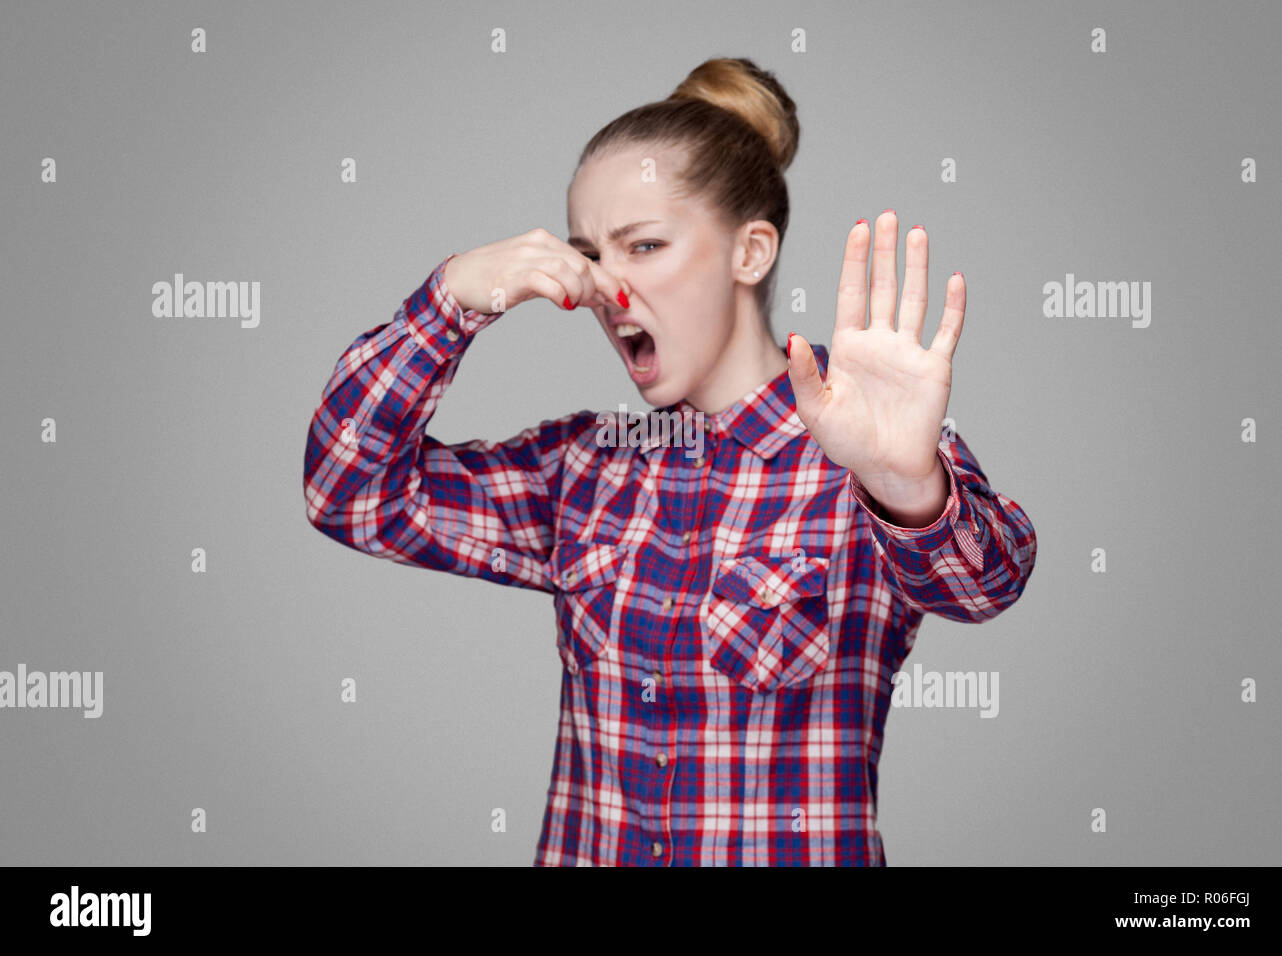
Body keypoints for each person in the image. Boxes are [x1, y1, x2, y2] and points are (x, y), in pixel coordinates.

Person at [302, 56, 1037, 866]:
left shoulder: (860, 448)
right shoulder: (583, 469)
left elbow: (985, 585)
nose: (605, 291)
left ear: (750, 252)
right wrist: (447, 300)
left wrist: (906, 486)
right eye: (591, 257)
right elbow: (351, 493)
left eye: (643, 245)